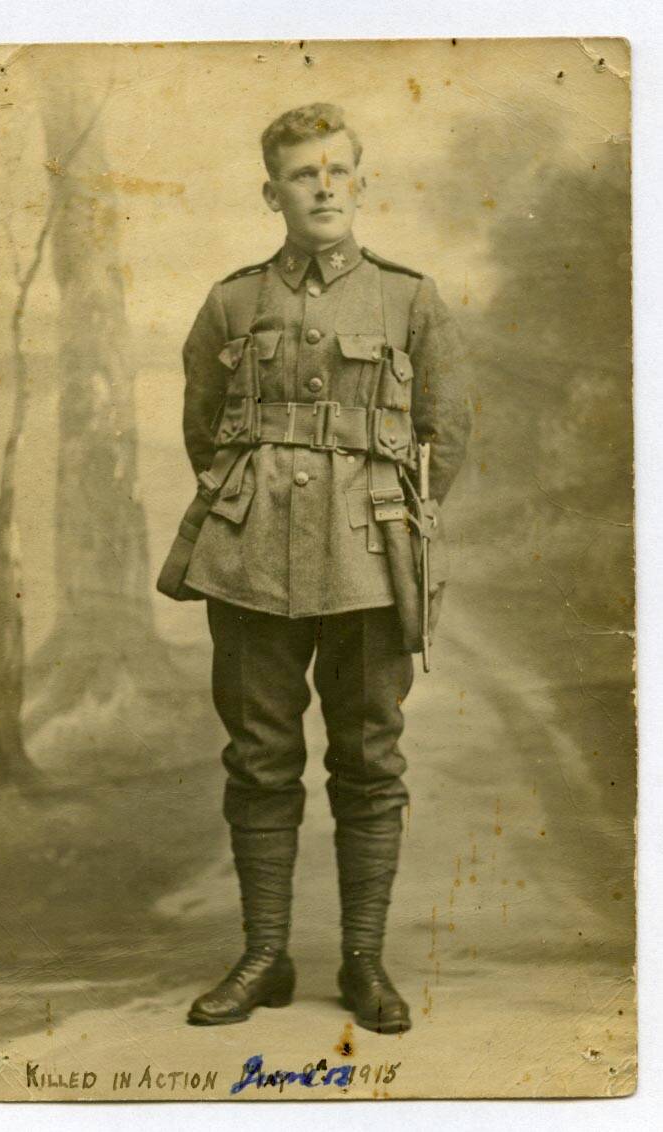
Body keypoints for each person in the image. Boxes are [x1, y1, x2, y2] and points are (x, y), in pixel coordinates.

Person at [165, 103, 471, 1034]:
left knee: (370, 759)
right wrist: (255, 508)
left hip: (372, 563)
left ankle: (364, 961)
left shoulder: (409, 298)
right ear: (273, 192)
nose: (325, 187)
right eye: (304, 174)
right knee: (260, 758)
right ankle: (265, 956)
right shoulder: (231, 301)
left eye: (339, 171)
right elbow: (204, 424)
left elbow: (444, 434)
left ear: (362, 185)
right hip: (252, 561)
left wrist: (389, 522)